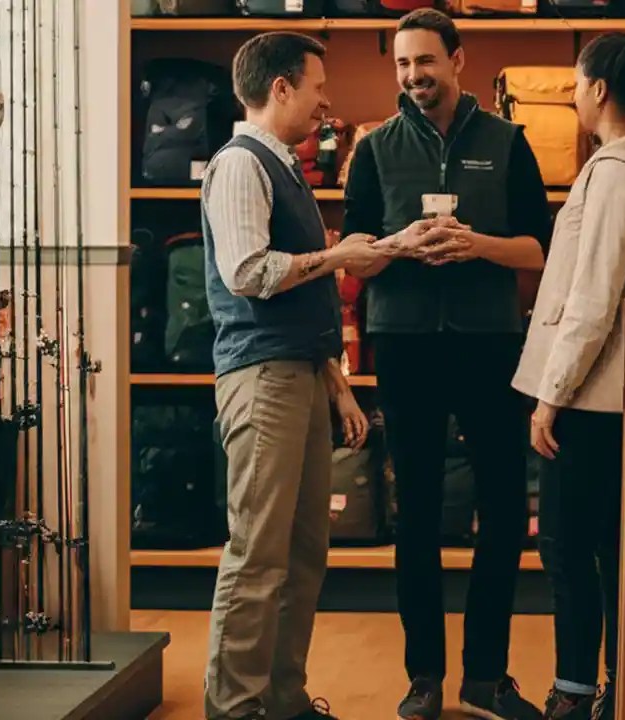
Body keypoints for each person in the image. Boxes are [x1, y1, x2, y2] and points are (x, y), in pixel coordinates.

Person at [341, 8, 554, 719]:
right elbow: (356, 255)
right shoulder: (373, 149)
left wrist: (478, 246)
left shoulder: (508, 142)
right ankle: (423, 679)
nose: (413, 77)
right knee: (418, 515)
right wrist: (401, 244)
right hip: (404, 345)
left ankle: (486, 677)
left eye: (424, 62)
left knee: (499, 513)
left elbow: (539, 250)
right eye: (402, 65)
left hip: (490, 344)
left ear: (458, 60)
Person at [200, 31, 381, 720]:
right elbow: (247, 272)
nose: (325, 100)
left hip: (299, 375)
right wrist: (338, 258)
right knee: (257, 553)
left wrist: (336, 384)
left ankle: (281, 700)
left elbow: (299, 297)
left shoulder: (280, 165)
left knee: (304, 552)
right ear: (280, 88)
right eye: (315, 85)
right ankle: (235, 707)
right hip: (262, 377)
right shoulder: (241, 164)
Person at [512, 32, 625, 720]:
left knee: (569, 544)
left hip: (593, 394)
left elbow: (593, 297)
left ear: (600, 89)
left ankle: (581, 692)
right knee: (620, 538)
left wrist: (552, 395)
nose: (574, 94)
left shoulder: (612, 174)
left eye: (577, 83)